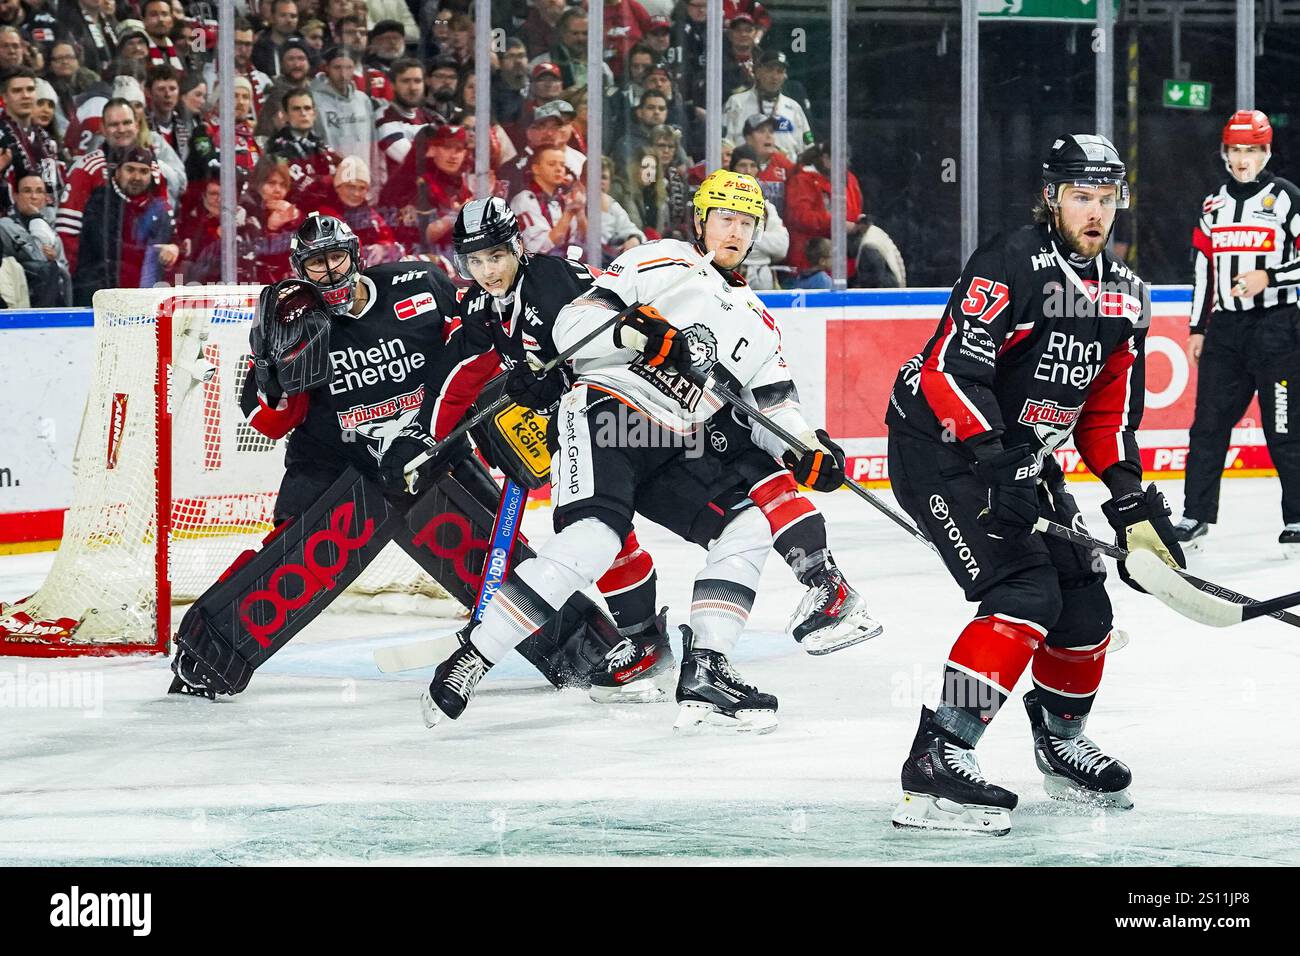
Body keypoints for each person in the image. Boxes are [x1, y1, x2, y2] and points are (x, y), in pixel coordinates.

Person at [417, 169, 878, 733]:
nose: (733, 231)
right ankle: (474, 656)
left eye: (745, 222)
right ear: (701, 222)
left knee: (750, 525)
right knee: (592, 541)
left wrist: (806, 448)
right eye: (724, 218)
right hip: (608, 408)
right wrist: (636, 333)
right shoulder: (664, 259)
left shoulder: (761, 323)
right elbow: (578, 321)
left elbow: (775, 407)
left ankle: (707, 665)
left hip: (675, 437)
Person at [168, 214, 627, 700]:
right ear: (300, 269)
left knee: (499, 556)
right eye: (316, 264)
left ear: (357, 255)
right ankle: (206, 656)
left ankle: (587, 653)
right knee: (290, 563)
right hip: (333, 464)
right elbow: (269, 421)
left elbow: (473, 350)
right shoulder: (296, 319)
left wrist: (504, 403)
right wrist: (271, 368)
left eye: (336, 258)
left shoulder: (420, 284)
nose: (328, 272)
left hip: (430, 449)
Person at [884, 134, 1181, 834]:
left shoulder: (1126, 296)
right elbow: (948, 373)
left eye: (1106, 200)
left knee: (1083, 604)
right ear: (1052, 198)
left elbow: (1104, 412)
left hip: (1022, 460)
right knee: (1024, 589)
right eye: (1082, 196)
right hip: (941, 448)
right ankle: (937, 755)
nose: (1095, 212)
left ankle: (1058, 740)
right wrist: (996, 457)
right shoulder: (1011, 259)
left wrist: (1129, 497)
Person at [1176, 109, 1300, 557]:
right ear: (1224, 153)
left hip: (1278, 328)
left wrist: (1270, 276)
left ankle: (1297, 519)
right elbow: (1202, 271)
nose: (1243, 159)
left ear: (1266, 152)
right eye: (1235, 150)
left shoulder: (1287, 198)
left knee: (1285, 428)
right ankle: (1195, 515)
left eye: (1252, 150)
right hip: (1226, 331)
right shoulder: (1213, 204)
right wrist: (1197, 327)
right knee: (1207, 427)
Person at [71, 143, 177, 303]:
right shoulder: (101, 201)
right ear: (118, 172)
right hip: (100, 298)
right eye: (130, 169)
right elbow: (109, 249)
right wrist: (153, 251)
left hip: (145, 299)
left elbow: (174, 240)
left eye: (143, 171)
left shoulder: (158, 207)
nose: (137, 177)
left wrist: (173, 249)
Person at [721, 50, 812, 162]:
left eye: (779, 72)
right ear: (758, 72)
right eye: (769, 70)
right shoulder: (736, 102)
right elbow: (724, 144)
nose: (774, 77)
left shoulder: (794, 107)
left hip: (785, 174)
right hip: (746, 173)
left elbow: (808, 148)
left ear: (784, 76)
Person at [509, 142, 585, 255]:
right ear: (536, 169)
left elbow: (585, 243)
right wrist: (568, 213)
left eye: (562, 165)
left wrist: (580, 211)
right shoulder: (524, 200)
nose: (559, 169)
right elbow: (537, 249)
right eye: (552, 164)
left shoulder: (564, 199)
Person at [728, 143, 787, 289]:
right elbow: (723, 243)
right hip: (732, 275)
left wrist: (747, 236)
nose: (748, 171)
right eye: (742, 165)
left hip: (764, 276)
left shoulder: (767, 207)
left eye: (752, 165)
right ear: (733, 168)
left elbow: (782, 247)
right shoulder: (722, 202)